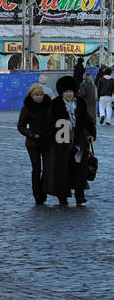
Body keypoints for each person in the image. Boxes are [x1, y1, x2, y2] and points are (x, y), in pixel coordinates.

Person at [46, 75, 96, 206]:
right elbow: (50, 123)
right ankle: (62, 196)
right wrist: (52, 138)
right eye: (66, 91)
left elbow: (87, 119)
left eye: (70, 91)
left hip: (78, 139)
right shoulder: (56, 104)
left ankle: (80, 195)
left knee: (80, 168)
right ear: (61, 92)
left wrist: (92, 133)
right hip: (62, 141)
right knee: (62, 168)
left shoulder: (80, 102)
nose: (68, 94)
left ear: (74, 91)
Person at [17, 82, 52, 205]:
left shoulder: (48, 106)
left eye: (41, 94)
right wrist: (31, 134)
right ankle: (37, 193)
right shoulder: (27, 109)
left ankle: (44, 190)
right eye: (37, 95)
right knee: (36, 168)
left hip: (46, 142)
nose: (39, 97)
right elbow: (20, 126)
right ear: (32, 96)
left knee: (47, 168)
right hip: (33, 143)